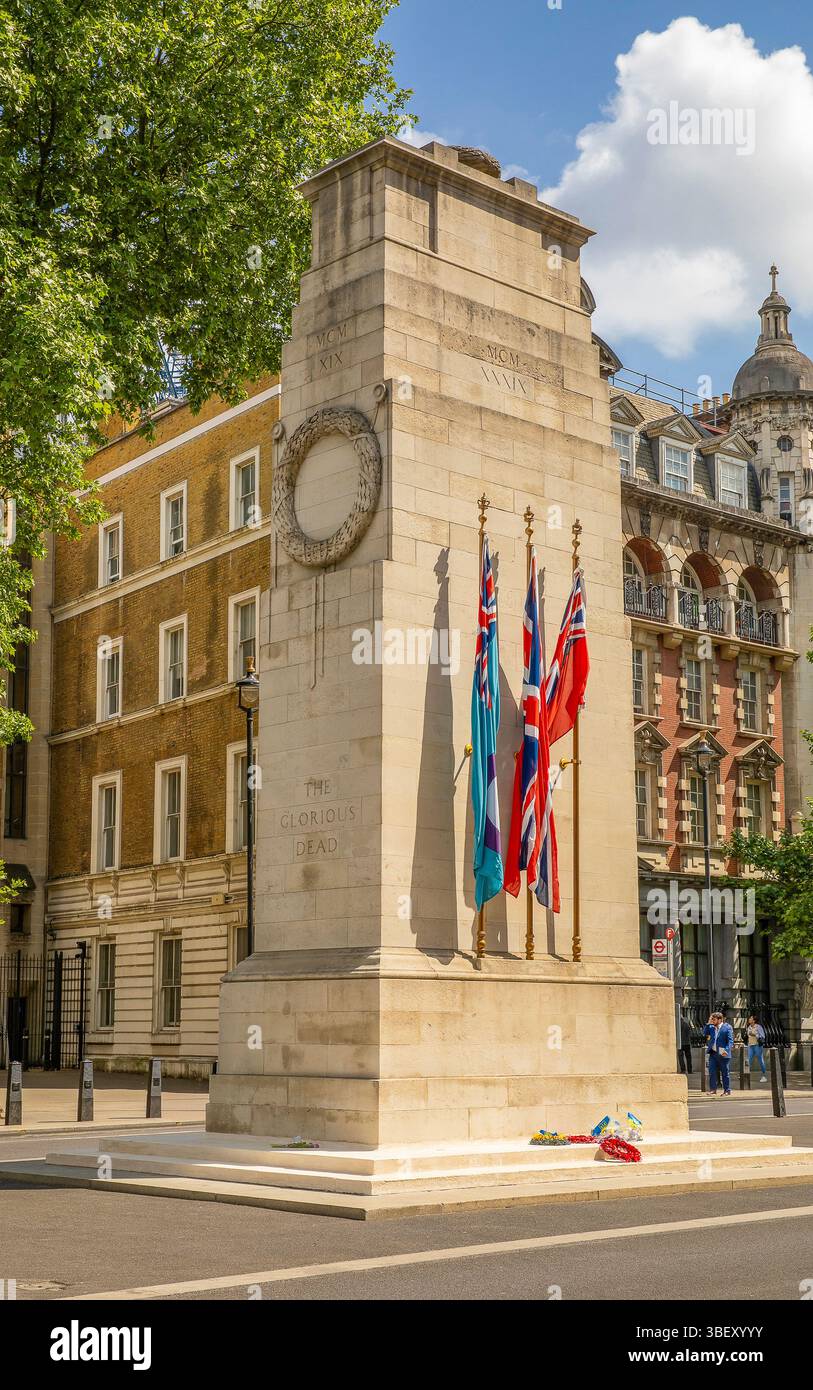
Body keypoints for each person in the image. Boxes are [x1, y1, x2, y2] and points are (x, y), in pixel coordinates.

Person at [703, 1011, 734, 1096]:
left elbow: (730, 1041)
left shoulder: (727, 1027)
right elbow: (705, 1033)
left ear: (720, 1019)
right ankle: (713, 1089)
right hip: (713, 1053)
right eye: (712, 1019)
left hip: (723, 1053)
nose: (713, 1021)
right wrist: (709, 1023)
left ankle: (727, 1090)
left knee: (725, 1072)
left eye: (714, 1019)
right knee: (712, 1071)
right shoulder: (711, 1027)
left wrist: (726, 1051)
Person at [746, 1014, 767, 1082]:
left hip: (757, 1045)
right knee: (749, 1060)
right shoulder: (749, 1027)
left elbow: (763, 1036)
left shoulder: (758, 1027)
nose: (749, 1019)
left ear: (754, 1020)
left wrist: (755, 1034)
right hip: (750, 1045)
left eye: (751, 1018)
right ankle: (745, 1074)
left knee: (760, 1060)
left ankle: (764, 1075)